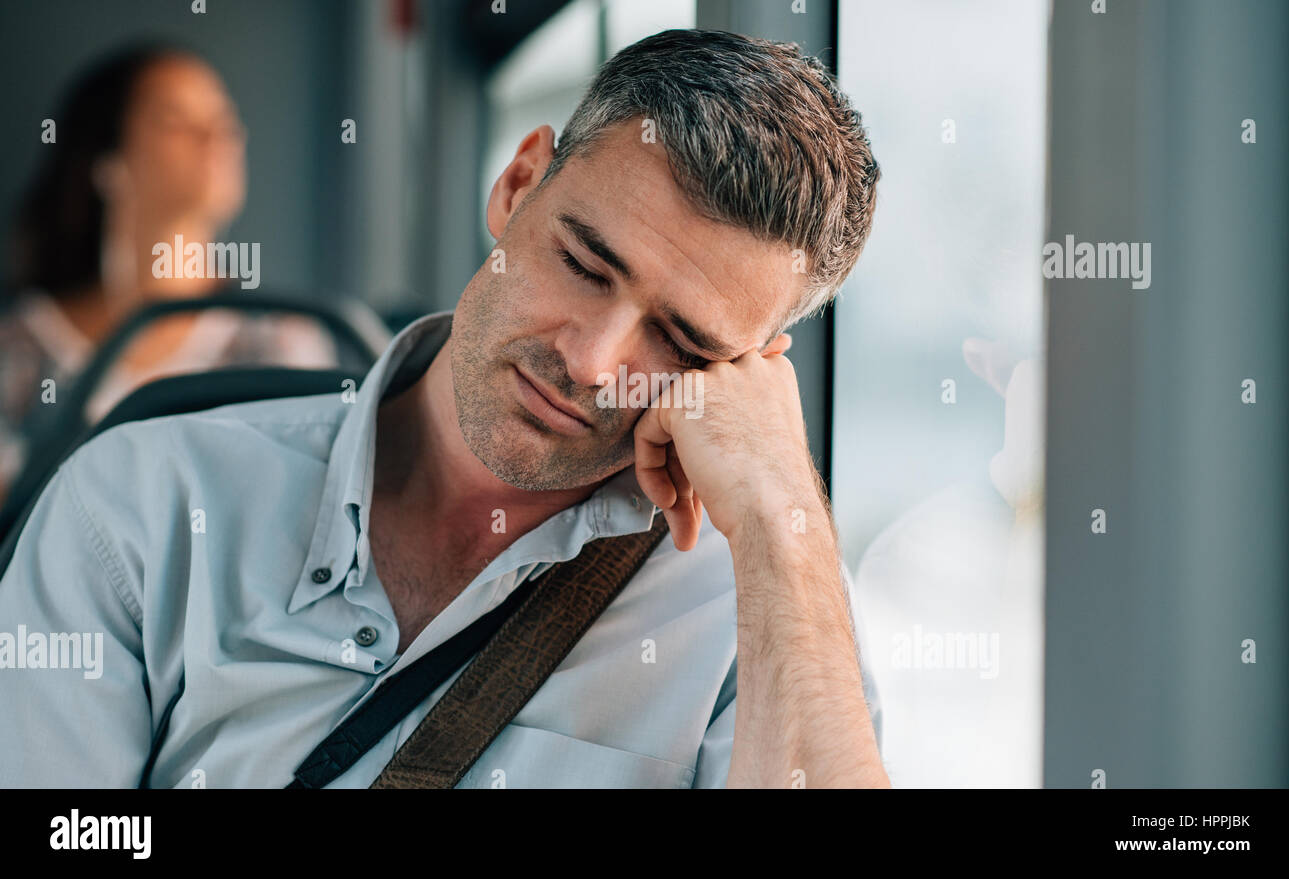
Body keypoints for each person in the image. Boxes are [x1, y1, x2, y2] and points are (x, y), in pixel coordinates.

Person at [0, 29, 886, 788]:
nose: (589, 361)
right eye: (583, 264)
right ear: (517, 185)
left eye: (682, 342)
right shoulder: (137, 508)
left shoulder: (756, 615)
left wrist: (782, 519)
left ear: (753, 372)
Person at [0, 45, 336, 506]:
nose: (216, 137)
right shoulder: (20, 349)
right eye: (176, 120)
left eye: (225, 120)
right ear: (107, 162)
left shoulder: (280, 345)